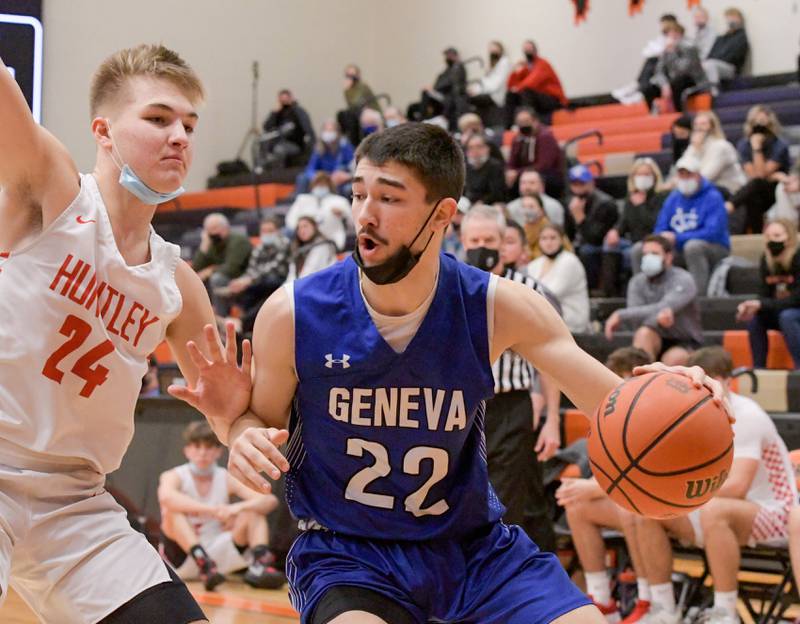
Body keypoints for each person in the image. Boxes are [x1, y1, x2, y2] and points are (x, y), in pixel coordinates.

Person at [172, 122, 727, 624]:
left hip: (474, 550)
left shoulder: (499, 306)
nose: (365, 214)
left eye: (389, 198)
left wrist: (670, 396)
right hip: (348, 555)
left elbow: (615, 407)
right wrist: (236, 431)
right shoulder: (293, 313)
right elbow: (257, 426)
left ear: (442, 215)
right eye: (359, 194)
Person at [0, 43, 242, 622]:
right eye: (158, 119)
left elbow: (230, 416)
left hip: (76, 500)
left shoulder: (179, 283)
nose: (180, 135)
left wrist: (237, 419)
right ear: (103, 131)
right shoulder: (52, 186)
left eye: (188, 123)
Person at [629, 347, 796, 624]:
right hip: (716, 509)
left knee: (714, 511)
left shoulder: (748, 415)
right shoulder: (697, 415)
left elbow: (737, 487)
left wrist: (678, 493)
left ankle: (725, 612)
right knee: (648, 509)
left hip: (775, 512)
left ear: (726, 381)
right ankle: (663, 607)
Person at [460, 204, 561, 553]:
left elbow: (553, 360)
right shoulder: (449, 286)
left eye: (489, 238)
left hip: (509, 405)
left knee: (502, 503)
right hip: (460, 406)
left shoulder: (528, 288)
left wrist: (552, 422)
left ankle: (497, 590)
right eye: (474, 239)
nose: (482, 245)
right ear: (462, 241)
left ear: (504, 242)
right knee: (461, 498)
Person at [556, 347, 654, 623]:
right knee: (576, 505)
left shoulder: (654, 415)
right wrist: (584, 487)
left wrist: (593, 487)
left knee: (632, 509)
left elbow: (645, 479)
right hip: (631, 498)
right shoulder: (612, 415)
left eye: (616, 380)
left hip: (665, 505)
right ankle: (602, 599)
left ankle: (650, 600)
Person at [159, 421, 284, 591]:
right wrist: (212, 510)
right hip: (183, 555)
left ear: (218, 452)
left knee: (253, 511)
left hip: (216, 555)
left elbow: (269, 500)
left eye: (209, 447)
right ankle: (201, 559)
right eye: (197, 447)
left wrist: (235, 509)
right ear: (187, 451)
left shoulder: (224, 477)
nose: (202, 453)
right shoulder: (174, 475)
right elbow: (167, 498)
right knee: (171, 513)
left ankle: (260, 565)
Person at [605, 235, 703, 367]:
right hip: (653, 336)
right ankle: (641, 383)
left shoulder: (684, 279)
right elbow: (635, 317)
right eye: (645, 254)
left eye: (654, 253)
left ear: (668, 257)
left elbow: (664, 306)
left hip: (685, 341)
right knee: (643, 334)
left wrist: (620, 314)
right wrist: (657, 319)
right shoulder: (636, 282)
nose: (648, 258)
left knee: (673, 359)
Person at [653, 154, 730, 295]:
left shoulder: (713, 196)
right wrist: (662, 238)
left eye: (689, 175)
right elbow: (660, 227)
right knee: (645, 250)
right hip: (679, 248)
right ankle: (651, 297)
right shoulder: (673, 198)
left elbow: (713, 232)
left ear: (698, 176)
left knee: (693, 247)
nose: (685, 179)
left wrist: (677, 238)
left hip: (714, 248)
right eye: (681, 175)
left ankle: (698, 298)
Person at [736, 219, 800, 370]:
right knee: (756, 318)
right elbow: (764, 295)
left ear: (789, 238)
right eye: (769, 237)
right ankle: (758, 368)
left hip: (794, 311)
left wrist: (762, 304)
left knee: (788, 316)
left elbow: (797, 299)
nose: (772, 241)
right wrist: (750, 307)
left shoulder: (798, 257)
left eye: (777, 236)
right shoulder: (767, 259)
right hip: (784, 310)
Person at [602, 158, 668, 297]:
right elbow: (623, 223)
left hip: (653, 241)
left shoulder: (661, 197)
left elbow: (655, 224)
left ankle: (640, 291)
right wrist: (615, 231)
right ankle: (611, 294)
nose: (642, 178)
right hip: (632, 240)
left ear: (655, 177)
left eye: (646, 174)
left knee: (637, 249)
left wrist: (641, 206)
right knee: (609, 245)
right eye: (639, 174)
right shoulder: (631, 198)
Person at [728, 105, 792, 234]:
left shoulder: (779, 144)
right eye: (756, 122)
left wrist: (757, 149)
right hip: (756, 190)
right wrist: (773, 175)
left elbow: (761, 174)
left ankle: (729, 205)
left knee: (753, 188)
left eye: (763, 122)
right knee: (753, 195)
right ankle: (755, 235)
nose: (759, 126)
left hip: (778, 188)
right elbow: (754, 175)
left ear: (770, 124)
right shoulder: (744, 144)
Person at [225, 215, 290, 336]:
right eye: (264, 231)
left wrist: (249, 281)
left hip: (279, 281)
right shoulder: (259, 247)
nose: (266, 234)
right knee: (244, 292)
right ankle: (244, 327)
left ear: (278, 231)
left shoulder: (285, 244)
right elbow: (251, 269)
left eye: (270, 230)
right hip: (260, 283)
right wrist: (241, 281)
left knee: (263, 285)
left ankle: (242, 323)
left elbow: (273, 267)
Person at [528, 223, 592, 333]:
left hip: (571, 319)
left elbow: (550, 294)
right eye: (544, 238)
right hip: (544, 317)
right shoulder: (534, 265)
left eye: (553, 238)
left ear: (561, 240)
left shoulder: (570, 261)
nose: (548, 242)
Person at [567, 164, 619, 292]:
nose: (578, 188)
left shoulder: (605, 203)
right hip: (581, 242)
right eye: (575, 184)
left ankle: (589, 290)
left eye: (582, 183)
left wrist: (580, 218)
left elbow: (595, 238)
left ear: (591, 183)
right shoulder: (570, 202)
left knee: (586, 251)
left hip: (602, 244)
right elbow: (568, 232)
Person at [192, 212, 253, 316]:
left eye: (215, 228)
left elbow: (232, 268)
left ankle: (221, 317)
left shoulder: (238, 241)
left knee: (217, 279)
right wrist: (204, 245)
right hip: (222, 276)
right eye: (208, 229)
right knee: (196, 280)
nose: (211, 232)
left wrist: (210, 270)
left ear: (225, 228)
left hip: (242, 276)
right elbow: (196, 268)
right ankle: (204, 316)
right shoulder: (212, 243)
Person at [612, 14, 678, 105]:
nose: (662, 27)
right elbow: (646, 52)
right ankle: (639, 86)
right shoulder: (662, 38)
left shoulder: (677, 36)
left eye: (664, 24)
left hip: (673, 66)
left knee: (653, 61)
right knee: (651, 61)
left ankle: (638, 86)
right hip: (662, 65)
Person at [679, 111, 746, 197]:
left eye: (703, 124)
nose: (699, 128)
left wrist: (696, 151)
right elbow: (681, 168)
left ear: (712, 126)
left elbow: (706, 177)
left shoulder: (721, 146)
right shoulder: (694, 146)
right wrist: (695, 149)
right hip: (706, 188)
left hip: (729, 190)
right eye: (696, 124)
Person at [646, 22, 707, 113]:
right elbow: (659, 71)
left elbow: (683, 69)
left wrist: (671, 53)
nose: (670, 37)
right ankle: (653, 112)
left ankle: (679, 113)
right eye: (668, 34)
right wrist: (664, 85)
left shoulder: (690, 48)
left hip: (692, 80)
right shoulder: (666, 50)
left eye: (674, 33)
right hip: (673, 81)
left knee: (678, 82)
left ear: (680, 34)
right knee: (647, 87)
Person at [286, 172, 353, 251]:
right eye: (317, 184)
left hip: (331, 239)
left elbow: (352, 223)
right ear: (312, 186)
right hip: (305, 240)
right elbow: (290, 219)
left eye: (323, 185)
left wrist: (343, 215)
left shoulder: (340, 201)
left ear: (329, 186)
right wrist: (300, 230)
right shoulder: (302, 199)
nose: (320, 187)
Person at [506, 107, 564, 199]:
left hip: (548, 175)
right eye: (520, 122)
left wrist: (517, 172)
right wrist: (510, 172)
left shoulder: (545, 137)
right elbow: (512, 161)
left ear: (535, 121)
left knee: (526, 181)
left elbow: (544, 165)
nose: (523, 125)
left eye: (526, 121)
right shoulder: (517, 139)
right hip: (523, 173)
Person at [505, 40, 567, 125]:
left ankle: (528, 123)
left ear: (535, 49)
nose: (527, 51)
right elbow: (510, 86)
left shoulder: (542, 63)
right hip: (537, 97)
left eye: (529, 48)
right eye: (525, 49)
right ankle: (509, 126)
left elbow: (532, 82)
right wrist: (515, 72)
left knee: (526, 92)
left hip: (552, 99)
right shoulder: (525, 66)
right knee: (511, 95)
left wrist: (517, 88)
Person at [408, 46, 466, 130]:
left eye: (449, 55)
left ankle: (421, 119)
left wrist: (433, 89)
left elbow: (450, 85)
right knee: (412, 107)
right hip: (439, 94)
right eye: (446, 55)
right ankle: (417, 121)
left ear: (455, 55)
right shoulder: (447, 69)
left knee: (426, 93)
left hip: (447, 97)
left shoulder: (458, 67)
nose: (447, 57)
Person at [260, 89, 315, 168]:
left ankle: (278, 173)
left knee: (279, 150)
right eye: (282, 101)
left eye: (286, 100)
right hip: (277, 142)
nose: (284, 102)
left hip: (295, 144)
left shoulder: (298, 112)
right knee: (260, 145)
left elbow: (308, 129)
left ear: (291, 99)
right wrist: (274, 114)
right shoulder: (277, 113)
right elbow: (266, 127)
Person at [297, 119, 355, 195]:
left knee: (348, 188)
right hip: (323, 179)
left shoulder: (345, 146)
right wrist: (317, 177)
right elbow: (310, 168)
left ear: (337, 132)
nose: (328, 133)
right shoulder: (319, 148)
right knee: (302, 178)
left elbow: (354, 168)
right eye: (326, 130)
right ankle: (301, 202)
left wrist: (347, 176)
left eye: (331, 130)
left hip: (340, 180)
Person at [703, 8, 749, 92]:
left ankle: (714, 93)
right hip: (715, 64)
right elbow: (710, 55)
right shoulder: (720, 38)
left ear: (740, 19)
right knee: (704, 64)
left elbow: (735, 57)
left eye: (733, 17)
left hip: (731, 68)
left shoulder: (741, 37)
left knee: (710, 65)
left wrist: (718, 59)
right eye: (729, 17)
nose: (731, 20)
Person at [467, 40, 512, 127]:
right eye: (490, 50)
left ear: (500, 50)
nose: (492, 52)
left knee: (469, 99)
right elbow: (485, 81)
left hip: (496, 96)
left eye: (494, 49)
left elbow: (495, 84)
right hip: (489, 93)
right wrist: (474, 89)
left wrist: (477, 91)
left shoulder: (504, 63)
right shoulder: (493, 65)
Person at [285, 215, 338, 283]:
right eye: (298, 228)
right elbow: (291, 275)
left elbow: (310, 273)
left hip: (321, 286)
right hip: (302, 286)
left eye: (305, 226)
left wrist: (291, 290)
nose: (301, 230)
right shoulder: (298, 248)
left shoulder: (322, 245)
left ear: (314, 227)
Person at [339, 64, 380, 146]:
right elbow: (351, 106)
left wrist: (347, 90)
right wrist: (347, 91)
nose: (350, 77)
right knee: (342, 114)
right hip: (357, 113)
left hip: (371, 112)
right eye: (348, 75)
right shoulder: (349, 89)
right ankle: (348, 141)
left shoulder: (363, 86)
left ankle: (356, 143)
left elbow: (357, 103)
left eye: (352, 75)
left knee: (349, 116)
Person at [463, 133, 506, 205]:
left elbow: (496, 193)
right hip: (467, 204)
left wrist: (482, 202)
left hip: (489, 204)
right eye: (471, 148)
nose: (475, 151)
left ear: (487, 149)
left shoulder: (495, 166)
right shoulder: (465, 167)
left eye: (479, 147)